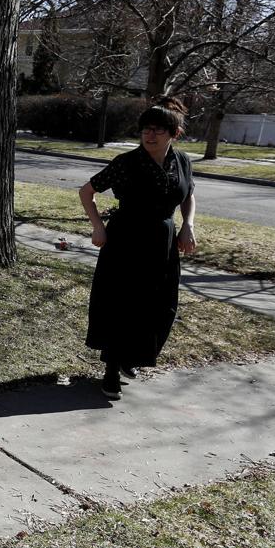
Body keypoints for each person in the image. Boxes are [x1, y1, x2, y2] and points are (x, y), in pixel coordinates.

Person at [78, 96, 198, 400]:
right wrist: (98, 227)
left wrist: (188, 225)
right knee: (122, 305)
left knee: (159, 305)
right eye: (146, 129)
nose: (150, 134)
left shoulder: (182, 161)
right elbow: (87, 192)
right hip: (126, 240)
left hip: (164, 240)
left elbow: (188, 195)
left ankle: (133, 358)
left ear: (174, 133)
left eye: (158, 130)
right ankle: (111, 371)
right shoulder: (126, 163)